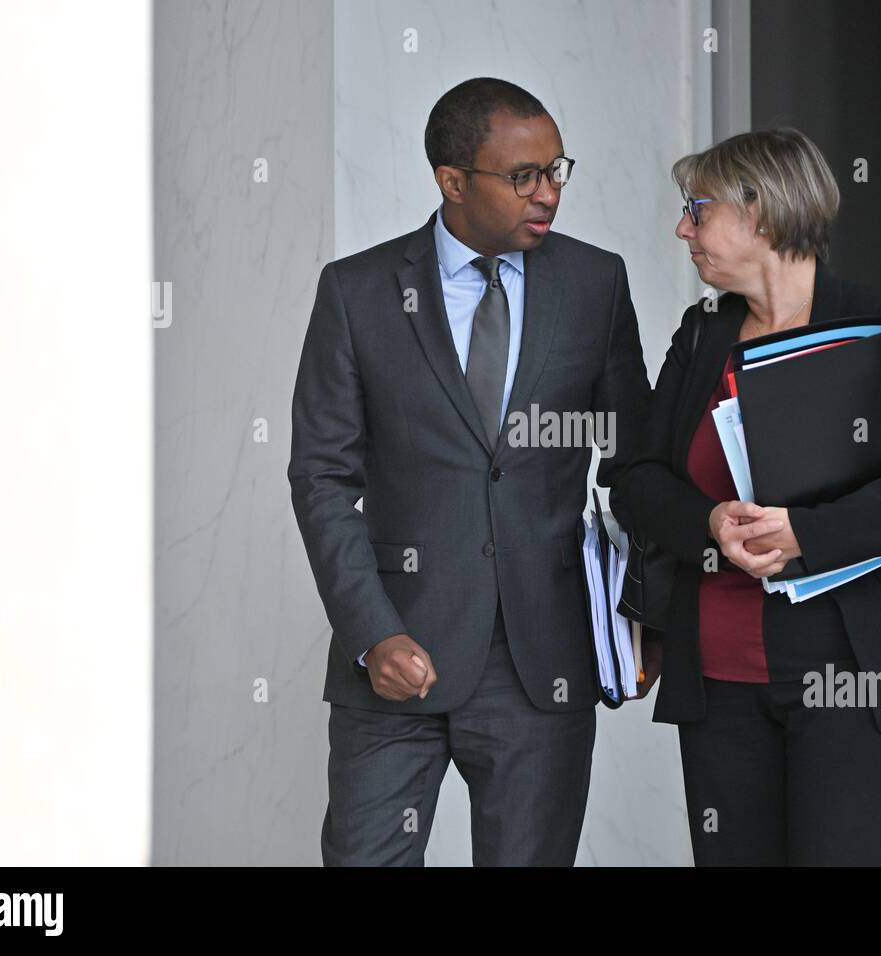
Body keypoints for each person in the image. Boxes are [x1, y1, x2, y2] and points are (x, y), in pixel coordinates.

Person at [287, 77, 650, 865]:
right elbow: (319, 475)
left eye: (557, 170)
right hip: (393, 653)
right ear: (452, 182)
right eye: (524, 176)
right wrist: (373, 631)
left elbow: (636, 463)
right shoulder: (357, 293)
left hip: (544, 660)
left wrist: (644, 617)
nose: (548, 193)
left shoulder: (596, 284)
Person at [619, 127, 881, 866]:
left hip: (856, 672)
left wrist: (807, 534)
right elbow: (636, 481)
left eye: (698, 209)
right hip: (721, 681)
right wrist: (708, 520)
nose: (682, 229)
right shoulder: (700, 336)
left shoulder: (879, 321)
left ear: (760, 214)